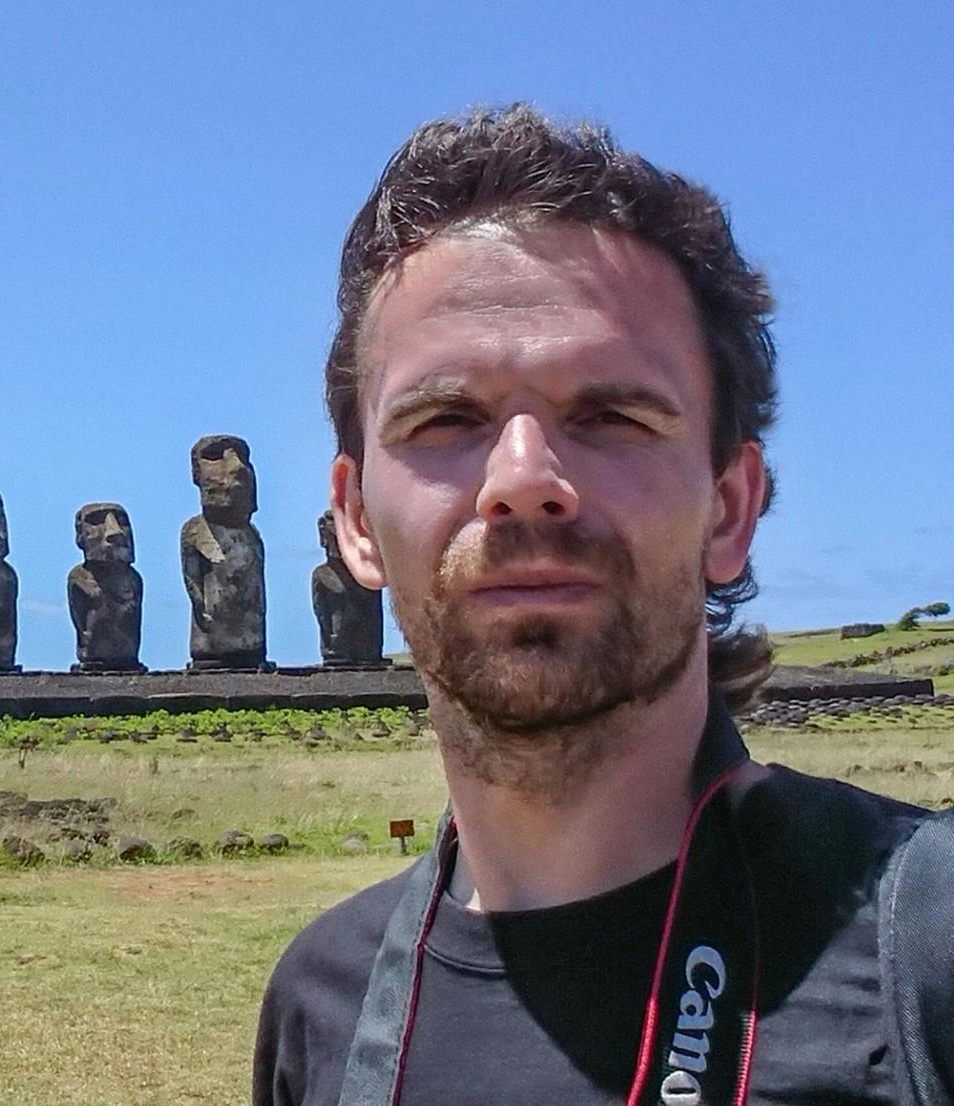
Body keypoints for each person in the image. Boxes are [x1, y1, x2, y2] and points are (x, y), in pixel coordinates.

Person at [252, 105, 954, 1106]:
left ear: (728, 506)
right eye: (444, 416)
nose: (524, 476)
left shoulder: (924, 946)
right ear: (354, 519)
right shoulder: (321, 1004)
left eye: (611, 415)